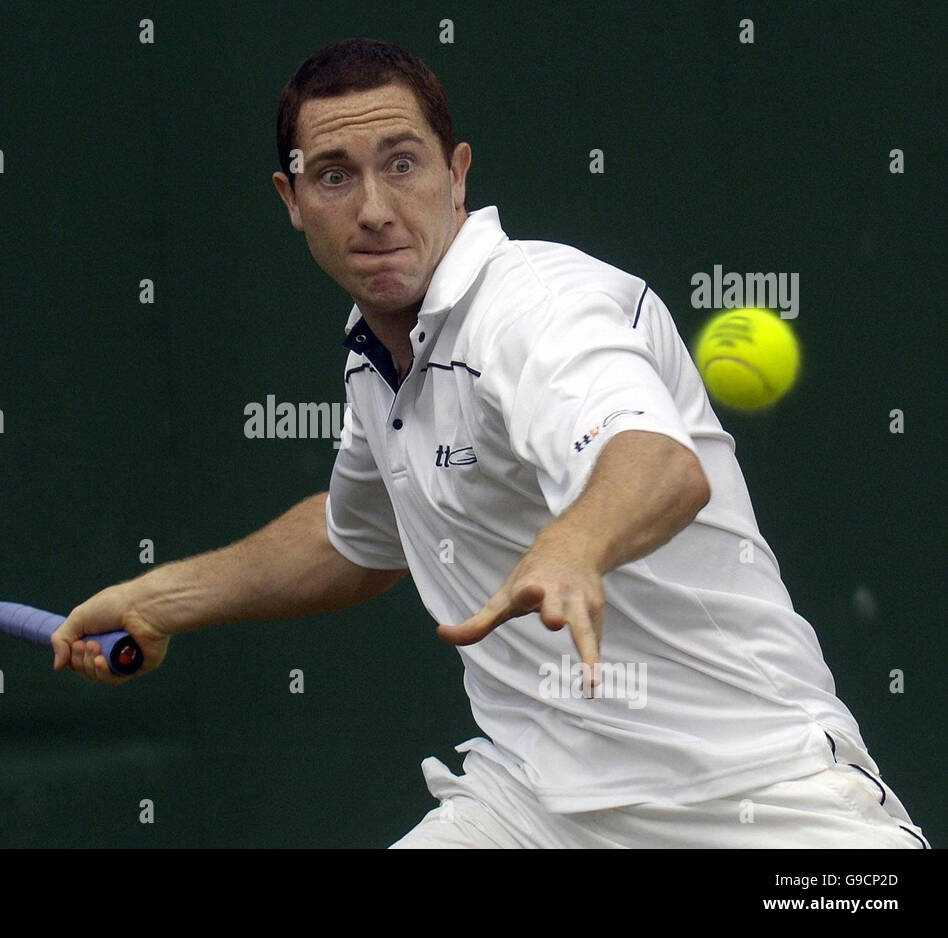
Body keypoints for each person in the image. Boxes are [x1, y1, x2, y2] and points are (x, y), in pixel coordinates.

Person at [51, 38, 928, 848]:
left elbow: (657, 460)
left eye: (402, 164)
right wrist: (161, 598)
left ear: (457, 174)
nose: (374, 209)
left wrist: (572, 548)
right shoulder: (377, 353)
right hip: (532, 809)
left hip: (758, 798)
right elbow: (357, 540)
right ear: (291, 200)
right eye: (333, 176)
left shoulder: (534, 308)